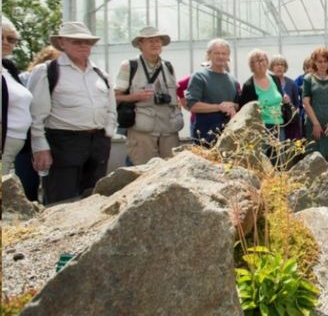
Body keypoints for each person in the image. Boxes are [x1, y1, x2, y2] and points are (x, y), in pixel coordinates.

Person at [28, 22, 116, 204]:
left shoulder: (100, 74)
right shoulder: (47, 71)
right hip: (63, 143)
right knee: (61, 199)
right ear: (62, 43)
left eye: (87, 42)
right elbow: (36, 115)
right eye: (76, 41)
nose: (83, 45)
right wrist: (40, 147)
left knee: (95, 198)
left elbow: (111, 108)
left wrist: (107, 134)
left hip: (98, 143)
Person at [114, 26, 183, 165]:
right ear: (140, 44)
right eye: (150, 41)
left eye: (158, 41)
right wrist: (135, 97)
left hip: (169, 132)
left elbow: (175, 97)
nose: (155, 44)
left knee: (170, 172)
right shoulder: (129, 66)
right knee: (143, 172)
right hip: (142, 133)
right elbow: (114, 97)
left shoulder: (168, 66)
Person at [186, 39, 239, 146]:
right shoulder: (199, 77)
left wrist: (232, 105)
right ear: (208, 55)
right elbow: (192, 105)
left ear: (228, 57)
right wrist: (219, 107)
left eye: (224, 53)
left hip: (229, 133)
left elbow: (238, 104)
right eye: (216, 53)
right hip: (205, 133)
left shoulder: (233, 80)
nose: (220, 56)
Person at [2, 20, 33, 176]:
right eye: (1, 37)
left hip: (14, 147)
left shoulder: (7, 67)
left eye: (11, 39)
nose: (6, 42)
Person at [238, 49, 288, 141]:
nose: (260, 63)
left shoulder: (275, 79)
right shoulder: (249, 85)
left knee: (280, 150)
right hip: (260, 128)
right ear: (251, 65)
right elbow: (244, 109)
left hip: (279, 125)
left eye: (262, 60)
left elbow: (280, 96)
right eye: (256, 61)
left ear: (267, 62)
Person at [270, 54, 303, 140]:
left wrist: (288, 103)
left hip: (288, 121)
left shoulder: (292, 84)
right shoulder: (267, 83)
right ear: (272, 67)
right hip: (272, 121)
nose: (280, 67)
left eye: (282, 65)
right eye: (277, 64)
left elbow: (297, 104)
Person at [295, 56, 314, 137]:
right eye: (307, 67)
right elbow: (294, 94)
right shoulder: (300, 79)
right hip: (304, 113)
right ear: (304, 68)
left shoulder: (319, 79)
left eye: (312, 67)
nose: (309, 70)